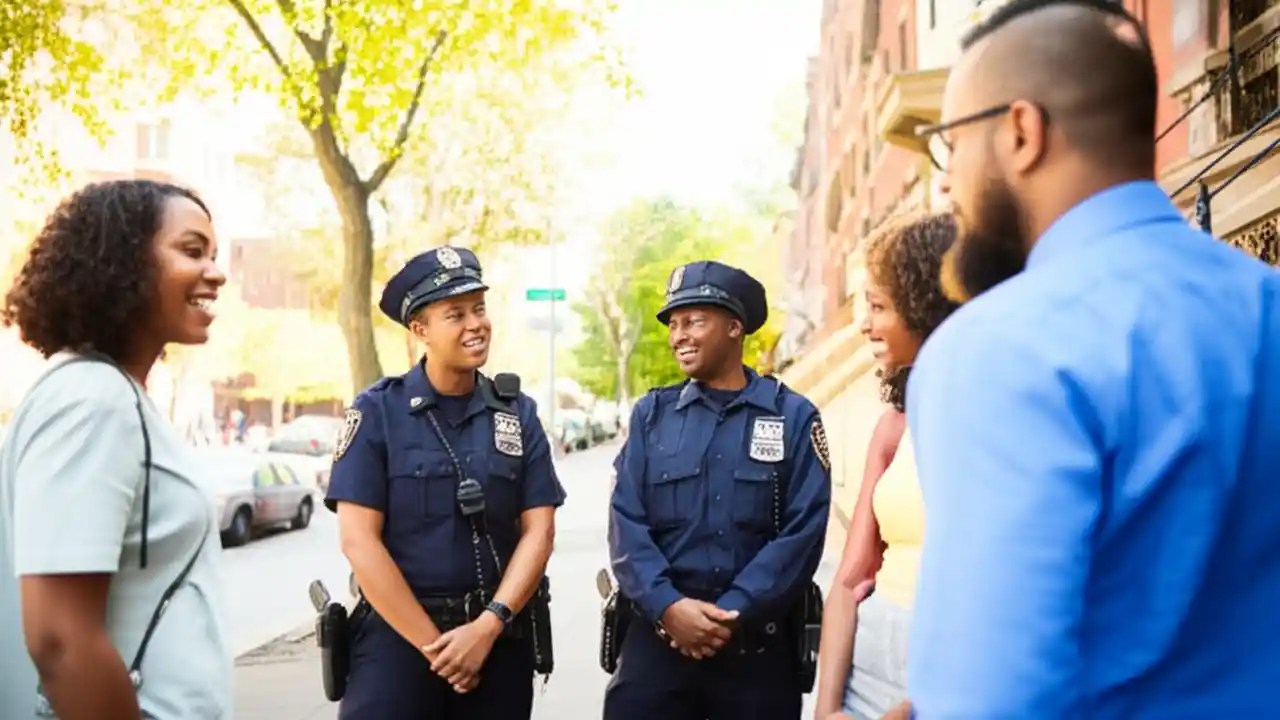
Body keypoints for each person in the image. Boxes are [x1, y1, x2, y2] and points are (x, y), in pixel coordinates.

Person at [907, 1, 1280, 717]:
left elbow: (988, 701)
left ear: (1021, 131)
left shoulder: (999, 350)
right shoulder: (1266, 307)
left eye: (949, 144)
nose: (946, 182)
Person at [0, 179, 233, 718]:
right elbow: (59, 638)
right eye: (192, 250)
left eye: (215, 255)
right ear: (124, 261)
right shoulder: (92, 398)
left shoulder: (118, 395)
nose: (216, 273)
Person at [325, 245, 565, 719]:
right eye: (455, 314)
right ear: (420, 331)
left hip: (497, 638)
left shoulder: (518, 414)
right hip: (398, 641)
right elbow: (359, 542)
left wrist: (488, 627)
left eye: (479, 308)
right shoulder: (378, 413)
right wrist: (438, 649)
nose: (475, 323)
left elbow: (539, 531)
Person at [604, 260, 831, 720]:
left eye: (694, 321)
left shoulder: (793, 418)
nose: (678, 335)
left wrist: (730, 613)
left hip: (755, 652)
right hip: (658, 644)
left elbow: (803, 531)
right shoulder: (651, 417)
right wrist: (669, 608)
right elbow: (625, 522)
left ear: (734, 327)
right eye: (673, 323)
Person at [812, 214, 958, 720]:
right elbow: (851, 580)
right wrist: (826, 709)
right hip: (866, 663)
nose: (863, 324)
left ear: (925, 307)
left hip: (945, 675)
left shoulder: (990, 422)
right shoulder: (894, 426)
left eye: (878, 306)